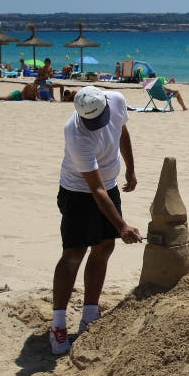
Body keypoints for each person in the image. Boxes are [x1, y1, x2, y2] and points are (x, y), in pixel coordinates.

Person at [50, 86, 142, 355]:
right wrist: (122, 225)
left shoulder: (116, 100)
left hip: (109, 184)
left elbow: (122, 131)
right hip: (78, 192)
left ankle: (90, 313)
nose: (96, 125)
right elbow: (95, 189)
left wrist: (131, 170)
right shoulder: (76, 133)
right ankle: (58, 324)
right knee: (73, 254)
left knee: (104, 247)